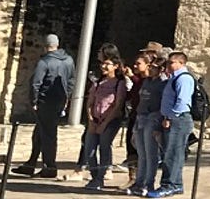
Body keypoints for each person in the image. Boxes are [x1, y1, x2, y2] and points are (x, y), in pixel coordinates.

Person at [12, 33, 75, 179]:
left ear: (45, 46)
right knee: (40, 133)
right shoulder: (68, 60)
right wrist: (66, 96)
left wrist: (34, 101)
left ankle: (50, 167)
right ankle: (31, 164)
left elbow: (36, 83)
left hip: (46, 102)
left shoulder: (44, 62)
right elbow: (71, 80)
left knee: (48, 134)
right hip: (59, 101)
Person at [147, 52, 196, 198]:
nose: (168, 65)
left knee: (172, 154)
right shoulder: (173, 78)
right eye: (168, 62)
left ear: (182, 63)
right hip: (172, 119)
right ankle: (176, 184)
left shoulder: (184, 78)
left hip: (178, 120)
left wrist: (170, 117)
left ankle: (169, 185)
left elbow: (182, 102)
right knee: (171, 153)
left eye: (172, 62)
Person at [82, 56, 128, 191]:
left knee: (104, 147)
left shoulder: (119, 84)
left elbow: (118, 105)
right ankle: (94, 175)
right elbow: (90, 103)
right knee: (89, 149)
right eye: (103, 63)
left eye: (107, 64)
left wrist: (105, 123)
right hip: (95, 119)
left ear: (115, 66)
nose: (103, 66)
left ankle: (100, 178)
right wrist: (91, 120)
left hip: (110, 121)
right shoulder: (98, 83)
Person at [129, 53, 167, 197]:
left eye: (154, 67)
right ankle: (139, 182)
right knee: (141, 153)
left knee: (151, 154)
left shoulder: (163, 83)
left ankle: (149, 183)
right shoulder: (147, 81)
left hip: (153, 117)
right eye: (150, 66)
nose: (150, 69)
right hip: (141, 116)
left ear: (161, 69)